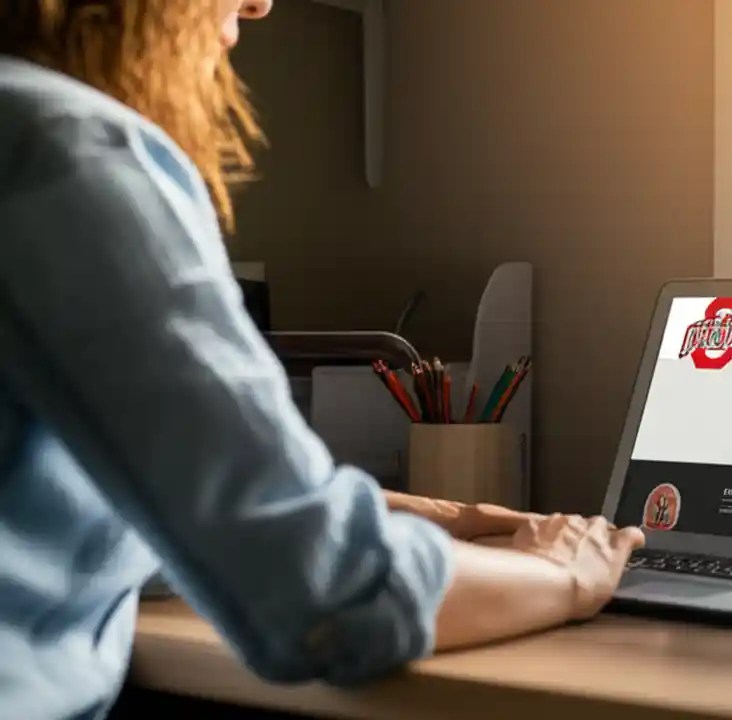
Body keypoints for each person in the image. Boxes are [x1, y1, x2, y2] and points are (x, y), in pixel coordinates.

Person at [0, 2, 645, 718]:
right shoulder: (62, 149)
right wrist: (562, 572)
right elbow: (325, 598)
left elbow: (75, 522)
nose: (259, 3)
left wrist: (429, 516)